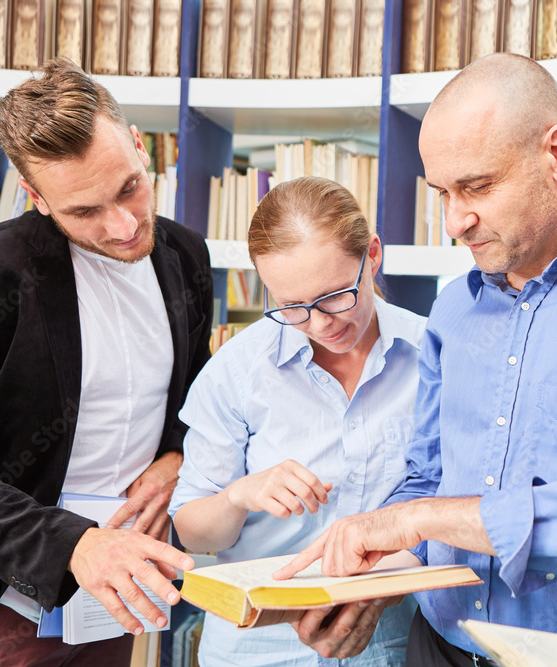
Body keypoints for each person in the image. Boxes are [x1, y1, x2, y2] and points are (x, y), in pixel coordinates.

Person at [276, 53, 557, 666]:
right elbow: (427, 480)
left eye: (478, 187)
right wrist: (372, 580)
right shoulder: (451, 314)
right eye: (441, 192)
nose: (455, 221)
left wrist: (422, 518)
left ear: (556, 155)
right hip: (439, 645)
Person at [0, 59, 211, 666]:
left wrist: (179, 453)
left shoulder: (184, 253)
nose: (124, 225)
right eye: (85, 211)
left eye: (129, 187)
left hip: (118, 594)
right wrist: (74, 546)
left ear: (137, 145)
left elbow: (197, 395)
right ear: (37, 198)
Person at [170, 176, 424, 666]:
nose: (320, 322)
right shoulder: (236, 370)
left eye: (334, 296)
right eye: (291, 306)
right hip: (257, 650)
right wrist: (238, 495)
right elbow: (193, 532)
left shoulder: (434, 356)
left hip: (393, 643)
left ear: (372, 255)